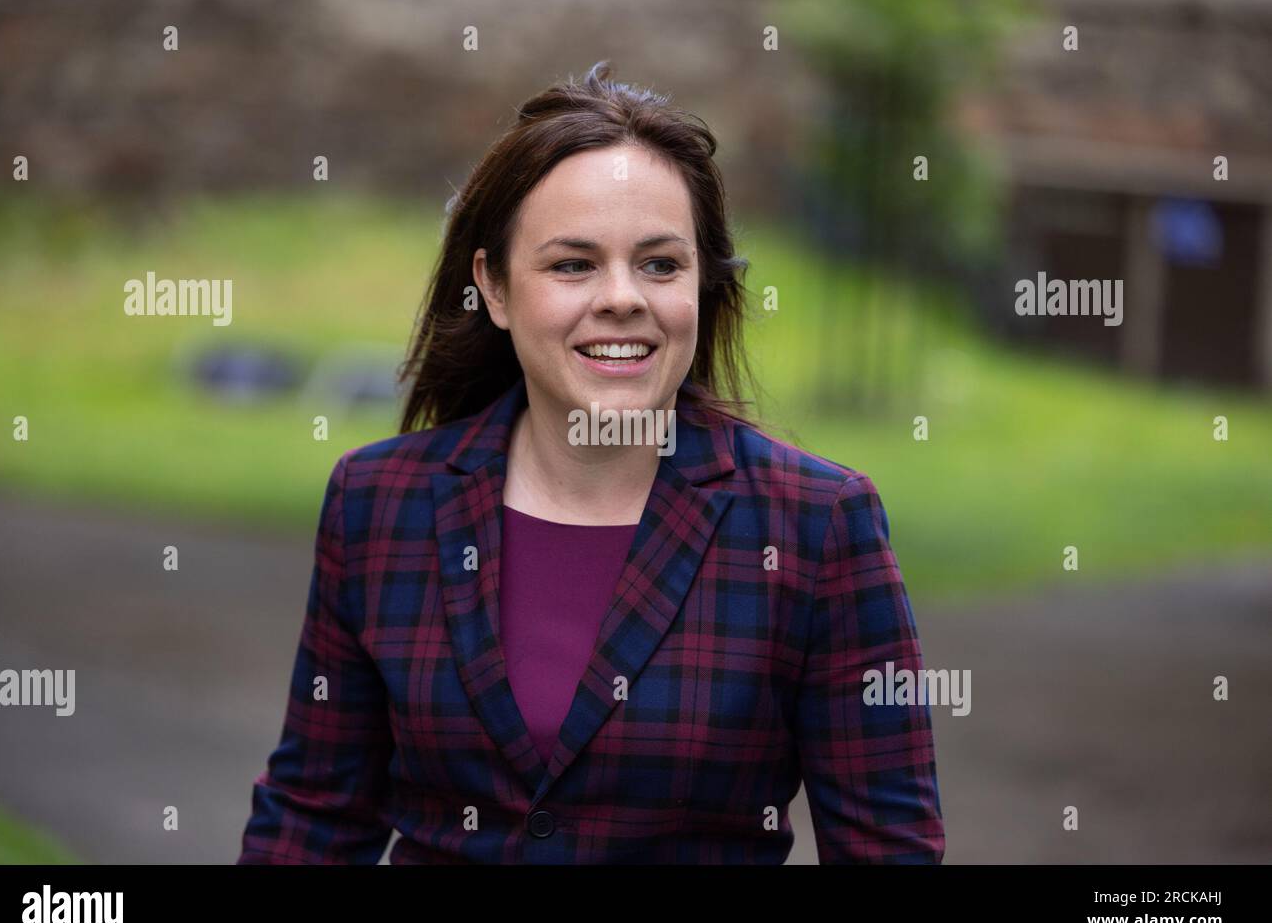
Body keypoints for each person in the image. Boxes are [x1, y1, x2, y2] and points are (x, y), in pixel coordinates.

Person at [238, 60, 945, 864]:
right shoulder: (377, 502)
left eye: (660, 264)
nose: (622, 297)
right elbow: (311, 821)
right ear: (494, 287)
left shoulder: (817, 527)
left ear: (703, 287)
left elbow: (888, 850)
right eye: (573, 264)